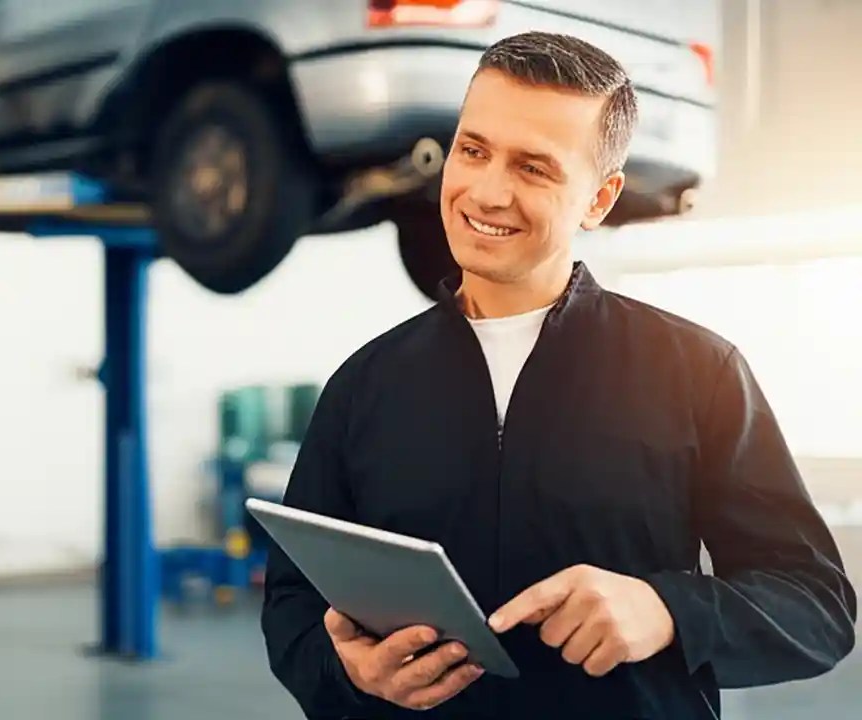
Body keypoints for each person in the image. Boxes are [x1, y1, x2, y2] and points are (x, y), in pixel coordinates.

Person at [261, 31, 856, 720]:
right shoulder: (364, 385)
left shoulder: (696, 372)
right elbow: (292, 605)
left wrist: (666, 609)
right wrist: (349, 672)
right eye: (473, 149)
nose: (487, 191)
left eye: (534, 168)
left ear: (599, 200)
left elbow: (816, 607)